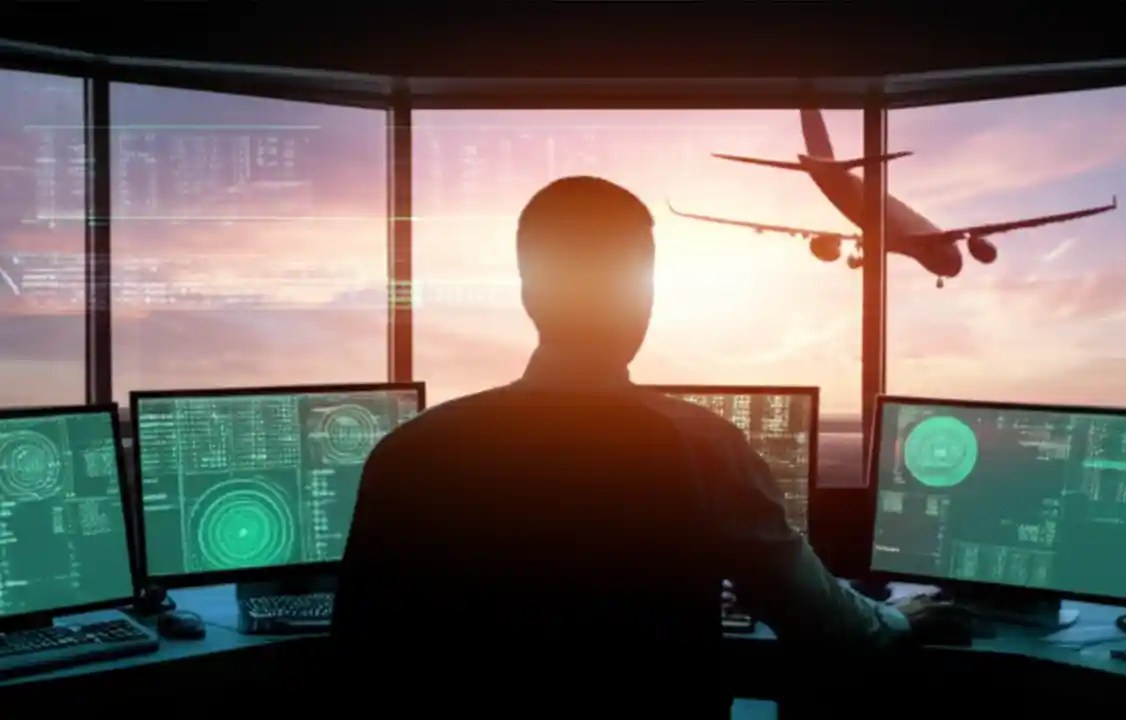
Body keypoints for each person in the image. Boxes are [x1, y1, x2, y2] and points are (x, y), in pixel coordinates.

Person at [334, 176, 967, 711]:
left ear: (529, 295)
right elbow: (823, 623)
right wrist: (896, 619)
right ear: (644, 300)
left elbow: (361, 647)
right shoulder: (701, 447)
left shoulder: (409, 452)